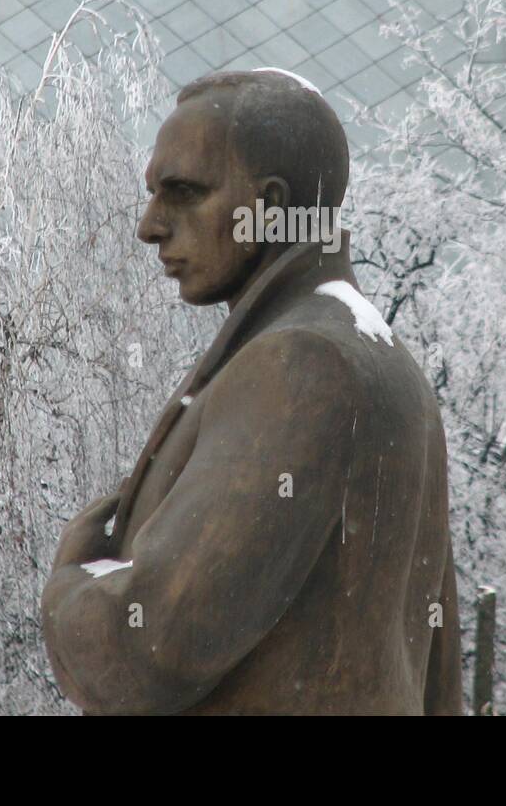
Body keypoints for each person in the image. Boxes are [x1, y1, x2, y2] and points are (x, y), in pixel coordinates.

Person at [40, 68, 462, 715]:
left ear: (268, 204)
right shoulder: (388, 365)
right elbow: (437, 679)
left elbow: (154, 644)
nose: (150, 226)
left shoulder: (301, 364)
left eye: (183, 192)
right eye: (154, 194)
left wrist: (71, 579)